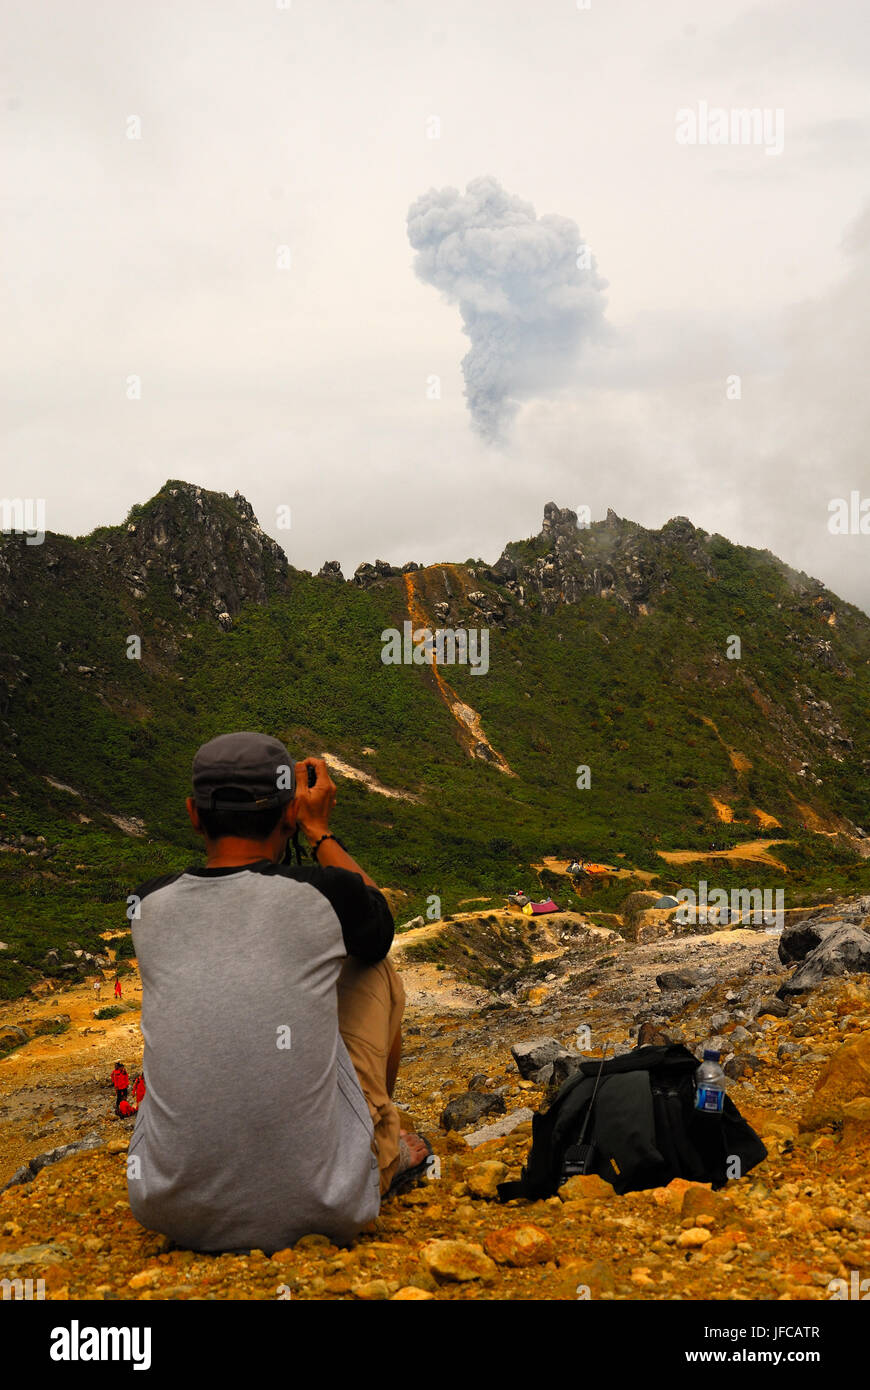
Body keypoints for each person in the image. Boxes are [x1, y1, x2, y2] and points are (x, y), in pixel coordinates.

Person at [126, 731, 430, 1254]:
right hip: (325, 1205)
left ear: (194, 814)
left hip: (167, 1206)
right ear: (289, 812)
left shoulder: (147, 905)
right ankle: (383, 1150)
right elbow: (379, 926)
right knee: (374, 970)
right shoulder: (324, 894)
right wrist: (319, 830)